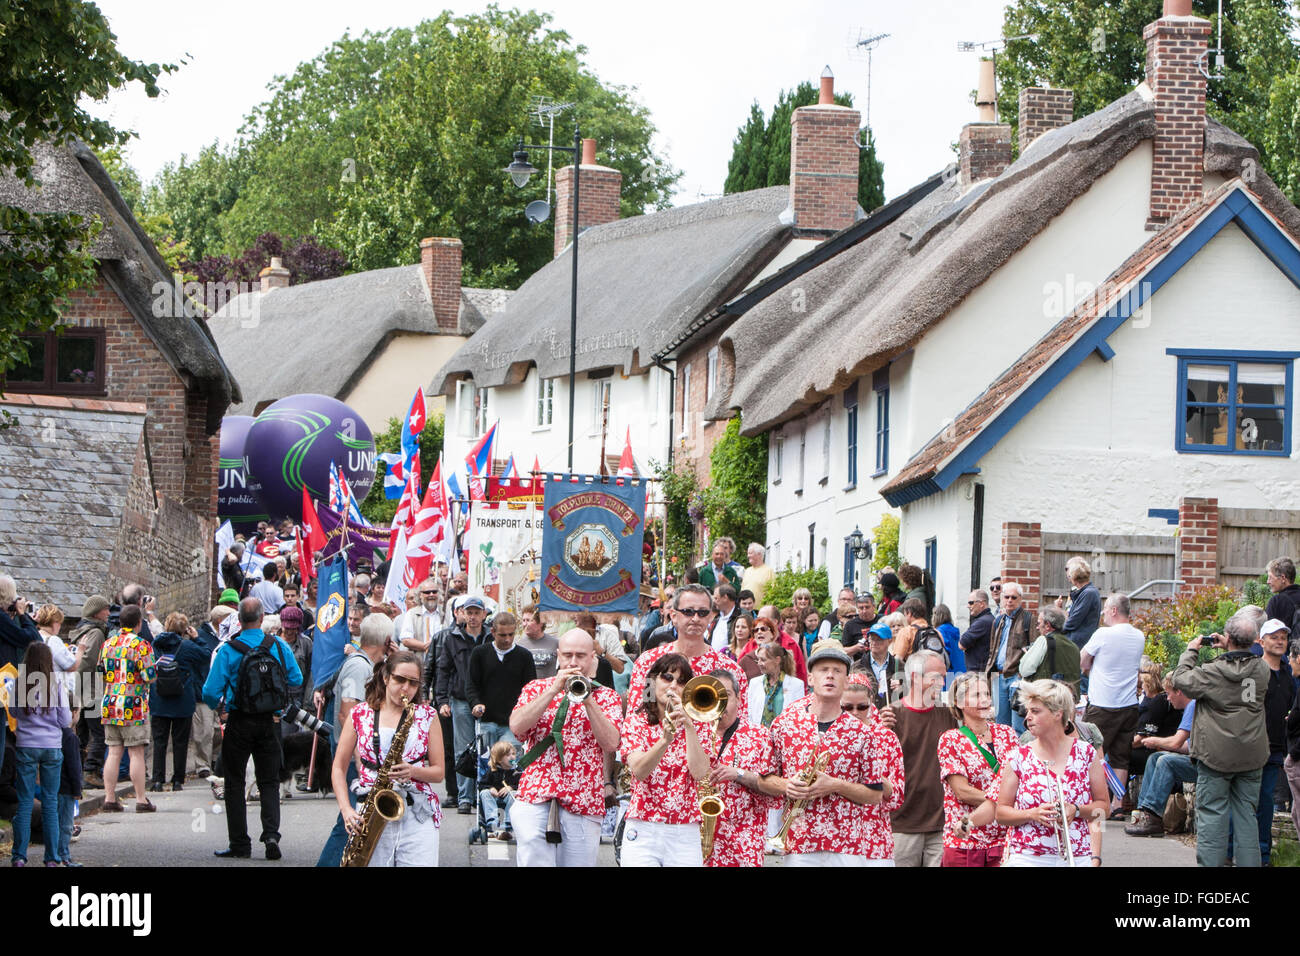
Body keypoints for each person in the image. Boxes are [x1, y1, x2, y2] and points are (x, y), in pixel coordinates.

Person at [763, 640, 901, 865]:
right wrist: (786, 785)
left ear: (846, 681)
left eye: (837, 671)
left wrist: (836, 785)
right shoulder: (783, 724)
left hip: (847, 845)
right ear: (810, 678)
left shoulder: (863, 732)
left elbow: (876, 794)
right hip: (799, 843)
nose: (830, 676)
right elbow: (764, 779)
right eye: (823, 670)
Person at [510, 629, 622, 866]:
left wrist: (588, 698)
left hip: (584, 798)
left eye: (580, 656)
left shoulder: (608, 697)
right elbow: (517, 727)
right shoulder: (535, 688)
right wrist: (552, 690)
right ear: (558, 656)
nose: (573, 662)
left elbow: (611, 743)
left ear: (593, 658)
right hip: (536, 794)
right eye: (568, 655)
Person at [203, 598, 303, 860]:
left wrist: (221, 706)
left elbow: (210, 691)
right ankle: (271, 835)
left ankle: (239, 843)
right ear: (261, 619)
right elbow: (296, 679)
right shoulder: (278, 646)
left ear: (239, 619)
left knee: (234, 782)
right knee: (269, 780)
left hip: (239, 720)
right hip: (271, 721)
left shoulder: (228, 649)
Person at [332, 650, 443, 866]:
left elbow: (439, 773)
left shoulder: (427, 716)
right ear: (385, 678)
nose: (406, 689)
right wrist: (346, 809)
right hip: (370, 813)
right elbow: (338, 767)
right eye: (400, 680)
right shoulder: (360, 713)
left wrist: (414, 771)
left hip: (416, 814)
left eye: (413, 683)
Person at [995, 679, 1108, 867]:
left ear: (1058, 714)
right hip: (1028, 856)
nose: (1027, 717)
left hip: (1077, 855)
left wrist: (1077, 810)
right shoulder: (1018, 756)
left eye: (1036, 711)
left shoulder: (1086, 753)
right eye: (1028, 711)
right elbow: (1001, 813)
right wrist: (1032, 814)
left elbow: (1103, 808)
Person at [619, 653, 711, 866]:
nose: (673, 686)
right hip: (643, 824)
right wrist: (664, 740)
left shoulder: (699, 725)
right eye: (667, 678)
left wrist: (689, 725)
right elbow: (640, 771)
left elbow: (701, 774)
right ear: (653, 681)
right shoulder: (637, 721)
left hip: (684, 828)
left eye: (681, 682)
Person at [315, 615, 390, 867]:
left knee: (352, 816)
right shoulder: (360, 667)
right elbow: (348, 712)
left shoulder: (361, 663)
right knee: (350, 818)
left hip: (351, 749)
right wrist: (360, 756)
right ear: (386, 641)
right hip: (352, 752)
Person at [881, 650, 957, 866]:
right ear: (914, 678)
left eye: (944, 677)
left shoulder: (949, 714)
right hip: (902, 824)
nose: (942, 683)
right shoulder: (890, 716)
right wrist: (876, 728)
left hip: (941, 824)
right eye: (935, 677)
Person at [938, 673, 1019, 866]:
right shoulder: (951, 739)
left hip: (1005, 838)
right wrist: (1004, 802)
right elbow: (962, 791)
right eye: (976, 695)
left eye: (987, 694)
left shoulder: (1007, 734)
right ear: (958, 702)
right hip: (966, 840)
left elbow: (1019, 778)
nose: (984, 700)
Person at [627, 584, 747, 708]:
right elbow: (642, 712)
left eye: (702, 612)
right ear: (673, 616)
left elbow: (739, 721)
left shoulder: (730, 670)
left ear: (711, 617)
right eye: (688, 612)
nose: (695, 618)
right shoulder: (649, 662)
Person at [703, 668, 777, 867]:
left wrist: (738, 774)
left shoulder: (760, 736)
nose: (720, 701)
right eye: (712, 695)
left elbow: (773, 788)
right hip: (697, 840)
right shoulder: (694, 735)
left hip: (743, 841)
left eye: (725, 695)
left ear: (738, 698)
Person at [1081, 593, 1145, 816]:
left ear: (1115, 610)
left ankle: (1094, 800)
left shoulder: (1103, 634)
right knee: (1121, 756)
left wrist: (1091, 666)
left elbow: (1082, 660)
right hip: (1128, 704)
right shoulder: (1139, 636)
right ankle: (1117, 804)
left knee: (1090, 752)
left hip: (1102, 703)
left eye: (1106, 610)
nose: (1103, 614)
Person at [10, 642, 69, 866]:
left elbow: (14, 712)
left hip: (26, 745)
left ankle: (19, 856)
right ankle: (52, 858)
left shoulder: (19, 683)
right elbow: (64, 720)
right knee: (50, 802)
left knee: (25, 802)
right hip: (52, 746)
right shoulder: (55, 685)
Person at [434, 594, 490, 813]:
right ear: (462, 614)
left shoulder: (490, 637)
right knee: (463, 749)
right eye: (470, 612)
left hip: (486, 699)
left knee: (486, 746)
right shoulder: (452, 638)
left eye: (477, 612)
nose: (473, 617)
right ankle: (464, 796)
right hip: (460, 699)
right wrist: (441, 700)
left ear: (484, 615)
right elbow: (443, 670)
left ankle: (484, 794)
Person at [98, 605, 156, 813]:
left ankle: (110, 798)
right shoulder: (142, 645)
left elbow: (101, 672)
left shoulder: (107, 644)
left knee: (113, 752)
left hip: (111, 703)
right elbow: (150, 676)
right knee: (136, 753)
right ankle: (141, 799)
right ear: (139, 623)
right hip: (134, 704)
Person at [1124, 680, 1197, 837]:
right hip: (1198, 757)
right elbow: (1188, 746)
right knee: (1155, 757)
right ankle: (1143, 813)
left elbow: (1177, 742)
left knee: (1166, 761)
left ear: (1179, 692)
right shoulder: (1190, 707)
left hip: (1204, 763)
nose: (1168, 699)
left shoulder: (1192, 705)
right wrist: (1162, 746)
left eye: (1169, 694)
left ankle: (1153, 818)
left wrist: (1156, 741)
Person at [148, 613, 210, 792]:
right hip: (183, 700)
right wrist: (197, 639)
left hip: (159, 699)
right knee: (180, 741)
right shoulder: (188, 646)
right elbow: (206, 656)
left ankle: (158, 780)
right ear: (185, 629)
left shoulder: (156, 645)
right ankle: (177, 780)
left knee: (160, 741)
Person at [1253, 618, 1294, 865]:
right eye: (1274, 637)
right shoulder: (1255, 671)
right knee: (1248, 801)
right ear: (1261, 641)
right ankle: (1236, 850)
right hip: (1252, 748)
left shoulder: (1288, 675)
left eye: (1283, 637)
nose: (1280, 641)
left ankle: (1263, 853)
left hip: (1276, 749)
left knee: (1266, 802)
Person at [466, 611, 534, 750]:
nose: (507, 639)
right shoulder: (479, 653)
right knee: (487, 765)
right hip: (486, 720)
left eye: (511, 634)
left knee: (509, 765)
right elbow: (471, 684)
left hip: (513, 722)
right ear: (493, 632)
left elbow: (530, 689)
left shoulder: (524, 656)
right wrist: (476, 703)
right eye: (503, 635)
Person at [70, 595, 111, 787]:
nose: (108, 613)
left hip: (80, 689)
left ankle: (77, 771)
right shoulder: (96, 633)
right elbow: (88, 662)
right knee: (99, 733)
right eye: (106, 609)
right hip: (92, 690)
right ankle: (90, 772)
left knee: (82, 733)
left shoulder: (81, 630)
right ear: (97, 612)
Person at [985, 582, 1034, 728]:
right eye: (1006, 597)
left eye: (1014, 597)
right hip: (998, 676)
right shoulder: (998, 621)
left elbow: (1034, 649)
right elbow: (992, 649)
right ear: (1001, 598)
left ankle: (1018, 750)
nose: (1010, 600)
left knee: (1018, 725)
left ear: (1020, 599)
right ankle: (1004, 751)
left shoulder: (1028, 619)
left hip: (1017, 677)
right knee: (1000, 723)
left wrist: (1021, 675)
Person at [1126, 664, 1182, 778]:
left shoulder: (1159, 701)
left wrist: (1121, 746)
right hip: (1156, 748)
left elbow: (1144, 737)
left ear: (1147, 681)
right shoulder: (1152, 700)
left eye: (1141, 683)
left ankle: (1119, 795)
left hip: (1155, 750)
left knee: (1115, 758)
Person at [1018, 605, 1082, 702]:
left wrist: (1027, 654)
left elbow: (1025, 670)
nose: (1037, 627)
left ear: (1047, 625)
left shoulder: (1043, 640)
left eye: (1039, 623)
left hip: (1045, 698)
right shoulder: (1074, 647)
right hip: (1067, 700)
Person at [747, 641, 805, 727]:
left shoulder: (796, 684)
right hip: (759, 735)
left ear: (777, 660)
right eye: (758, 659)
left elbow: (798, 716)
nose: (759, 663)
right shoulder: (754, 683)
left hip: (784, 735)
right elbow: (750, 713)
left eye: (763, 660)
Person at [1056, 556, 1102, 650]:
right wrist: (1058, 609)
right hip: (1073, 644)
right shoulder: (1080, 592)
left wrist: (1054, 630)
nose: (1066, 573)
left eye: (1067, 569)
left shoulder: (1089, 593)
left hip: (1078, 647)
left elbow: (1072, 623)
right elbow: (1069, 617)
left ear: (1073, 574)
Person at [479, 740, 519, 840]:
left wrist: (511, 787)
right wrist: (490, 788)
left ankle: (507, 823)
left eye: (513, 754)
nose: (512, 757)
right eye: (508, 755)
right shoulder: (492, 771)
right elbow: (481, 784)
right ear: (500, 759)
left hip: (507, 800)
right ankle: (492, 822)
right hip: (494, 799)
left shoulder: (516, 772)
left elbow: (522, 785)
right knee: (485, 793)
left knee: (514, 794)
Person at [516, 604, 561, 679]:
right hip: (528, 688)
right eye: (523, 620)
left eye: (529, 620)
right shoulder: (518, 645)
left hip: (550, 687)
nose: (524, 624)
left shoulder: (555, 643)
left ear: (540, 623)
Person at [863, 622, 899, 709]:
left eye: (879, 639)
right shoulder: (858, 666)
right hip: (866, 717)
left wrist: (902, 687)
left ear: (889, 641)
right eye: (872, 639)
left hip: (892, 716)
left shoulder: (900, 666)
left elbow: (909, 696)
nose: (874, 642)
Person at [960, 589, 995, 673]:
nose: (968, 606)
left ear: (982, 604)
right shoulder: (990, 619)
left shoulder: (982, 622)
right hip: (985, 672)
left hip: (979, 673)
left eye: (971, 603)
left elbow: (961, 645)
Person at [1264, 557, 1300, 630]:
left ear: (1283, 578)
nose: (1268, 581)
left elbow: (1268, 632)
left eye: (1270, 577)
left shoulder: (1277, 601)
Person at [931, 604, 966, 677]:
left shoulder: (940, 632)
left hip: (949, 673)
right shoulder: (954, 630)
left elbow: (943, 654)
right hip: (961, 669)